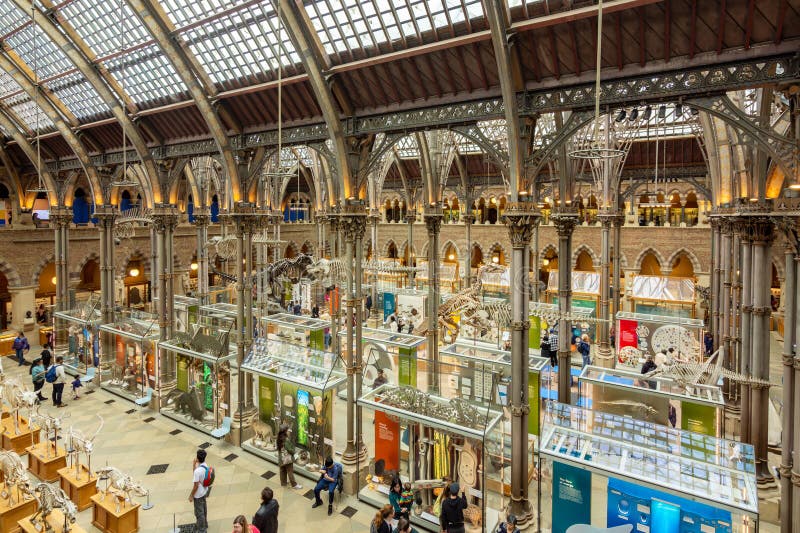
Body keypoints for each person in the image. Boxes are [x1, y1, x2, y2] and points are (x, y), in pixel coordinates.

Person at [189, 449, 210, 533]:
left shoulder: (198, 471)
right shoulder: (205, 466)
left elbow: (196, 485)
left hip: (198, 494)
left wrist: (191, 495)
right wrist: (194, 465)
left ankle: (202, 530)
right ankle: (205, 523)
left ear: (197, 458)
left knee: (199, 512)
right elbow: (196, 474)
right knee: (204, 508)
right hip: (204, 491)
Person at [276, 424, 302, 489]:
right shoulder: (285, 440)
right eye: (287, 430)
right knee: (290, 471)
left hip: (281, 458)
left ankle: (283, 483)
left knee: (282, 470)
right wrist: (294, 452)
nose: (288, 431)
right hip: (287, 459)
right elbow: (290, 449)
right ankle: (294, 485)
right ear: (285, 431)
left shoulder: (279, 437)